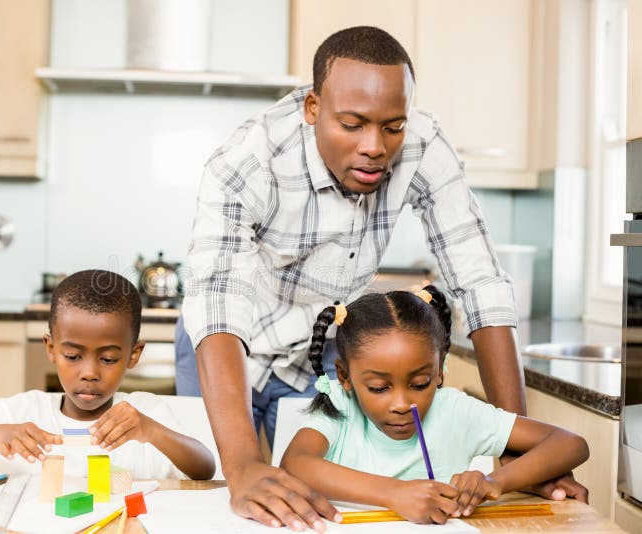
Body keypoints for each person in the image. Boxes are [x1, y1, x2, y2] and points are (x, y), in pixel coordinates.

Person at [177, 25, 585, 530]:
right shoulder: (248, 159)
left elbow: (480, 282)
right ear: (313, 108)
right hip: (228, 349)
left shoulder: (423, 143)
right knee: (226, 497)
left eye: (393, 126)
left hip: (317, 355)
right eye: (352, 124)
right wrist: (241, 466)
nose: (375, 147)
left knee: (304, 510)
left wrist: (516, 458)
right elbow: (218, 303)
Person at [280, 286, 589, 525]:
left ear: (439, 370)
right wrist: (393, 493)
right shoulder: (340, 407)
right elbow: (294, 463)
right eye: (379, 388)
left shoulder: (455, 411)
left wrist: (494, 482)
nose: (402, 404)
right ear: (345, 377)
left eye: (419, 384)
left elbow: (571, 444)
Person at [0, 270, 215, 481]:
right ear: (51, 349)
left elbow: (205, 469)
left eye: (108, 359)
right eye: (73, 356)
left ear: (133, 355)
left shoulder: (144, 412)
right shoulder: (23, 410)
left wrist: (151, 430)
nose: (89, 373)